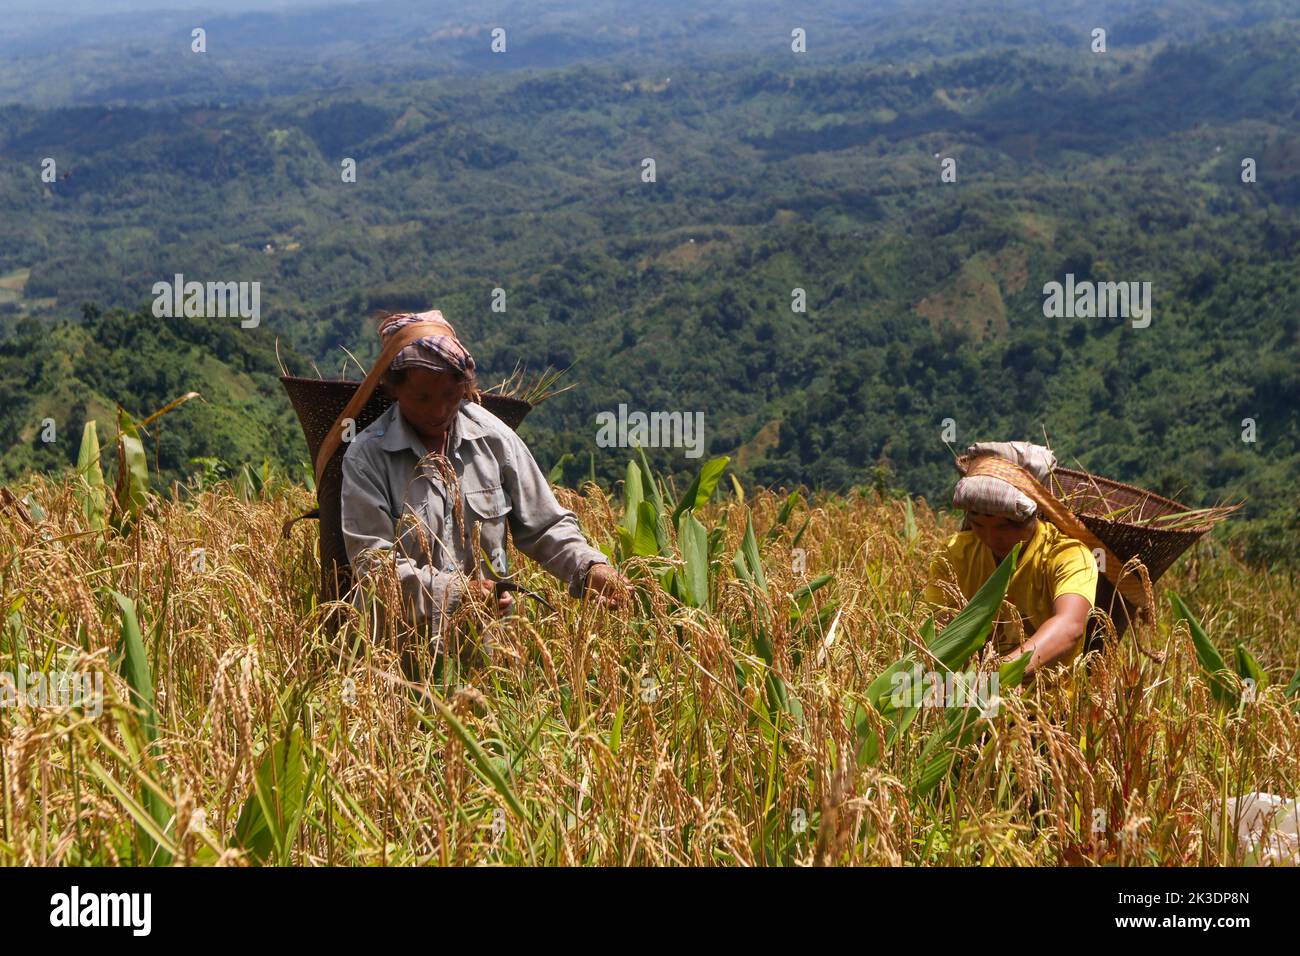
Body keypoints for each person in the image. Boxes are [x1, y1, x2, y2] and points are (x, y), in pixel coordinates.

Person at [340, 309, 630, 650]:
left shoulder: (494, 439)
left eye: (450, 395)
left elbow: (544, 526)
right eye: (422, 398)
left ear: (465, 387)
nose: (438, 411)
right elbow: (373, 565)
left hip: (486, 652)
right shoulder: (368, 457)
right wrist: (457, 593)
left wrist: (590, 568)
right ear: (393, 389)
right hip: (400, 658)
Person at [922, 442, 1097, 677]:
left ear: (1033, 515)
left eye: (1005, 526)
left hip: (1049, 705)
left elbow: (1070, 625)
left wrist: (997, 674)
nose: (992, 537)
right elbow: (941, 629)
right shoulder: (954, 554)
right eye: (979, 525)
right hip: (969, 703)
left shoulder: (1068, 556)